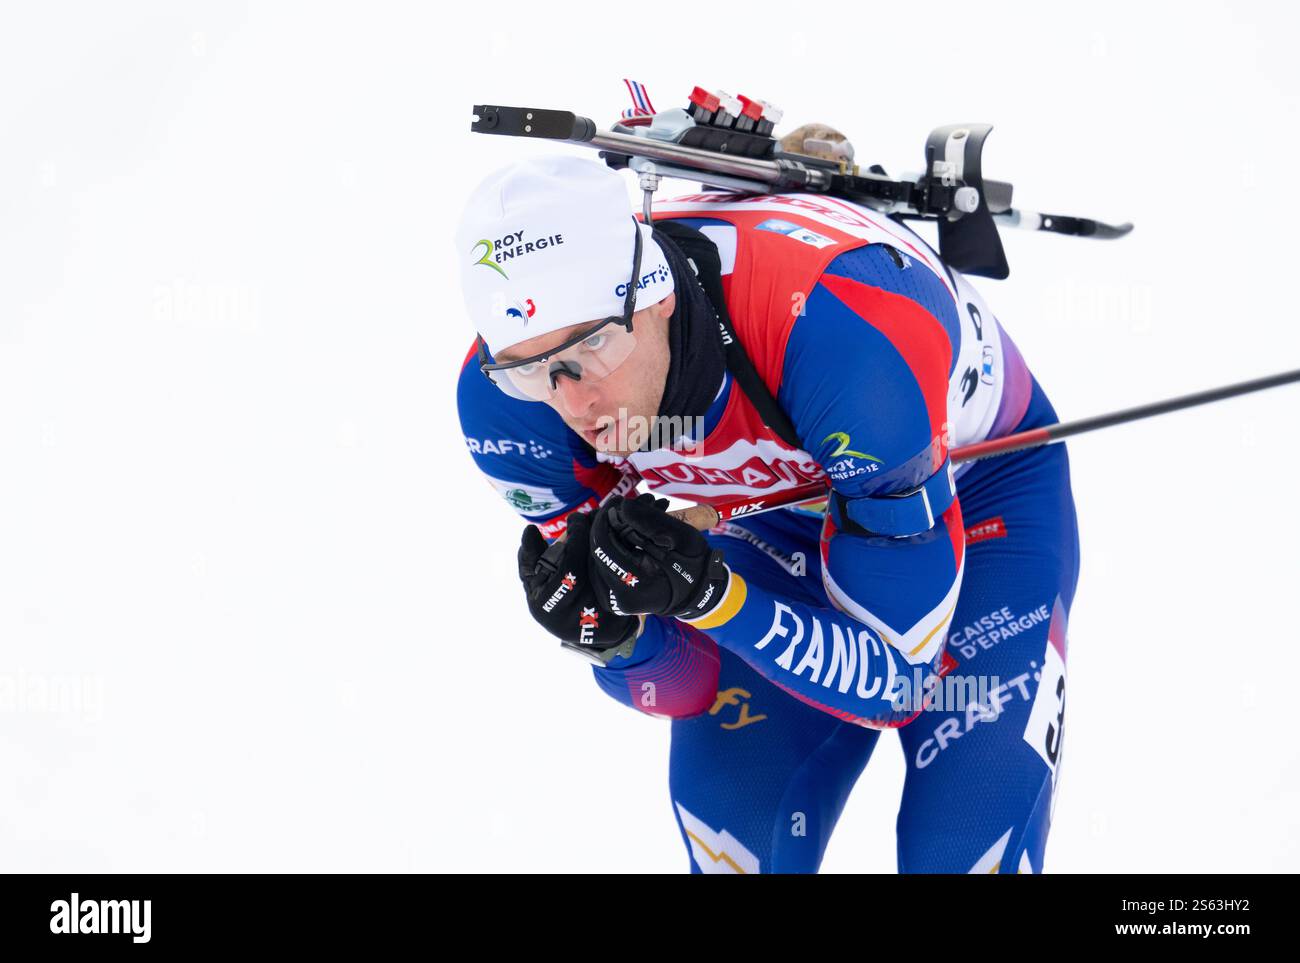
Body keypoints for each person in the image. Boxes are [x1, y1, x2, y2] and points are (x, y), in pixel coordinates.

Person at [454, 154, 1080, 874]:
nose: (574, 401)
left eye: (594, 344)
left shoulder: (846, 338)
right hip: (771, 519)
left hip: (975, 489)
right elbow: (682, 685)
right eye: (532, 369)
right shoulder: (506, 406)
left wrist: (713, 597)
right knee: (734, 848)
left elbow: (897, 684)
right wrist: (615, 640)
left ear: (655, 293)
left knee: (964, 850)